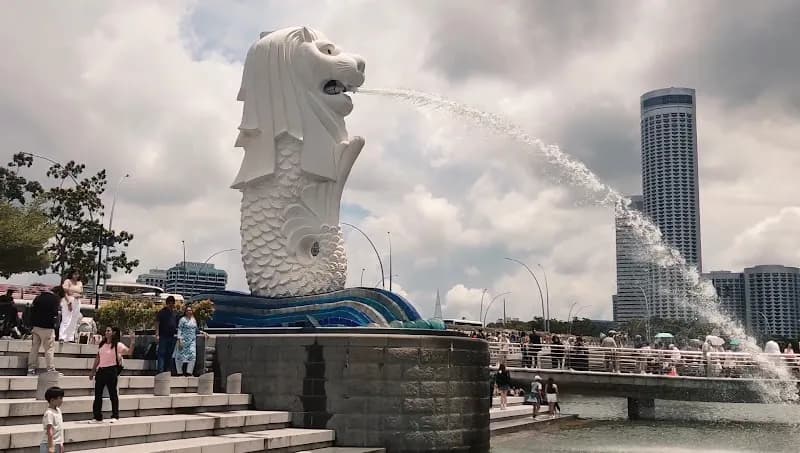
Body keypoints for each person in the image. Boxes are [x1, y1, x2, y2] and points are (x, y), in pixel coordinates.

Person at [89, 326, 132, 423]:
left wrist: (132, 342)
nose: (106, 332)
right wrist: (93, 370)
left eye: (108, 331)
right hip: (101, 370)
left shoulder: (118, 345)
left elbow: (129, 352)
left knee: (113, 394)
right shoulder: (102, 344)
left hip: (111, 371)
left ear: (113, 333)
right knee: (98, 394)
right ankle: (97, 417)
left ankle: (115, 415)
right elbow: (98, 358)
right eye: (106, 331)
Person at [28, 286, 62, 375]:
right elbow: (55, 313)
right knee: (49, 349)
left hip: (36, 327)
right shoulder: (55, 299)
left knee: (34, 348)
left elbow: (32, 310)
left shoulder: (38, 297)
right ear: (58, 293)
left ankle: (31, 369)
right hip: (48, 328)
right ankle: (50, 369)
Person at [174, 306, 200, 376]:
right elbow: (179, 329)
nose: (189, 312)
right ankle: (179, 372)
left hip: (192, 341)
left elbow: (196, 329)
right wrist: (180, 339)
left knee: (192, 355)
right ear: (185, 312)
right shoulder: (182, 320)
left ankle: (189, 372)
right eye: (188, 310)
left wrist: (203, 332)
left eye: (190, 310)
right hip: (183, 340)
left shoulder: (194, 320)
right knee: (180, 356)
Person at [155, 296, 178, 374]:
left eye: (172, 303)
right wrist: (157, 334)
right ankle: (160, 371)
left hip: (172, 336)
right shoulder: (162, 312)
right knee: (161, 354)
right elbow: (157, 323)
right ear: (167, 303)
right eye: (170, 303)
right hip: (163, 336)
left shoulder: (174, 313)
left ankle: (166, 371)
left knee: (169, 354)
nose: (171, 305)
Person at [58, 271, 83, 343]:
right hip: (68, 300)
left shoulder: (79, 283)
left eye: (77, 274)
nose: (76, 275)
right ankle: (62, 337)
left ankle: (70, 337)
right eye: (75, 274)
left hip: (77, 301)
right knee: (66, 319)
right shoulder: (67, 281)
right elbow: (65, 293)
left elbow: (81, 293)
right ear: (71, 274)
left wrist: (77, 294)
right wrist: (69, 302)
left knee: (74, 319)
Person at [41, 386, 65, 453]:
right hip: (48, 444)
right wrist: (51, 446)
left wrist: (61, 443)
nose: (62, 401)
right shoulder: (49, 413)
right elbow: (50, 430)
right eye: (60, 398)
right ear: (52, 400)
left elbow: (59, 428)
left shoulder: (58, 410)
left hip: (58, 443)